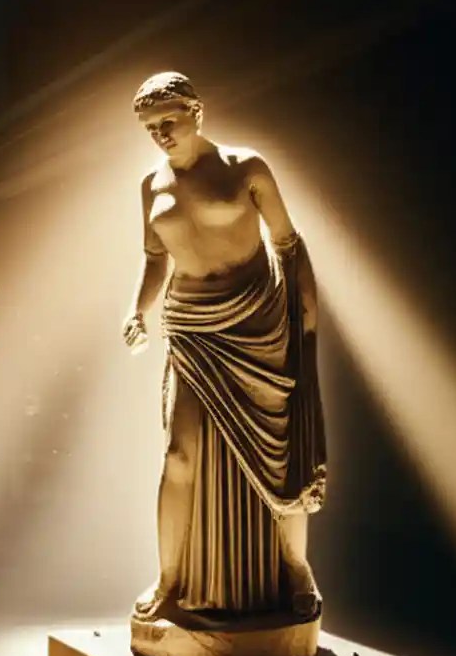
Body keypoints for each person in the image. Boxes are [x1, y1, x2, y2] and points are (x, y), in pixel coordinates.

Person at [123, 72, 327, 625]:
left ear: (197, 111)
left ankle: (297, 569)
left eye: (168, 121)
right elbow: (155, 257)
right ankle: (168, 577)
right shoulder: (150, 184)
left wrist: (306, 316)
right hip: (190, 324)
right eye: (149, 127)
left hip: (257, 321)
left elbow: (287, 243)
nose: (160, 134)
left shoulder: (247, 167)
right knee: (178, 455)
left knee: (278, 455)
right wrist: (138, 309)